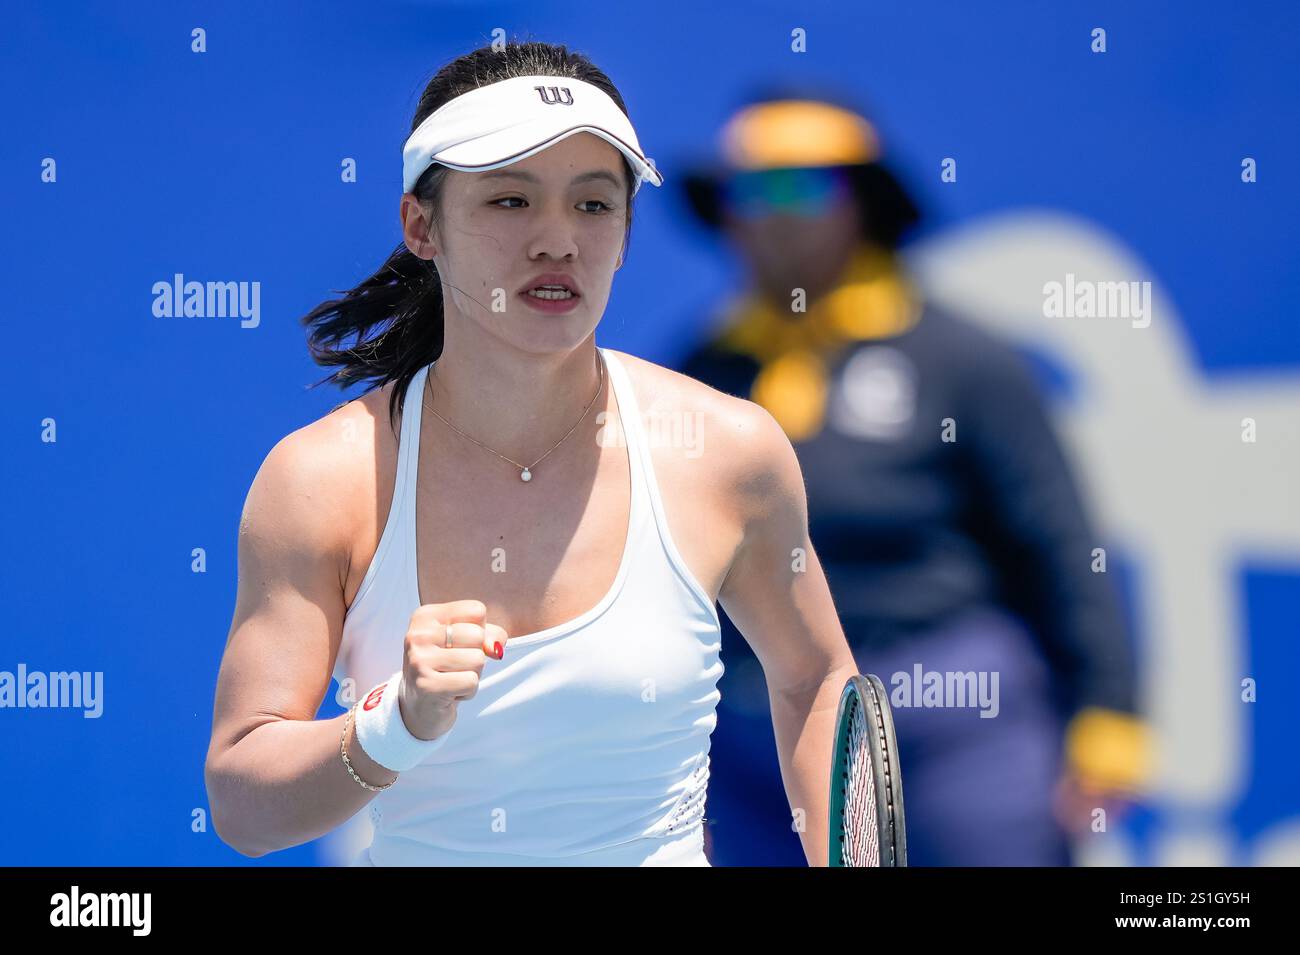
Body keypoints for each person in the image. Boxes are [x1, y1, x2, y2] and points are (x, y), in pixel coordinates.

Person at [202, 42, 860, 867]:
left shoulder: (729, 452)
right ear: (421, 225)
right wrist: (390, 728)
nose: (557, 241)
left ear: (624, 233)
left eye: (593, 205)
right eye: (510, 200)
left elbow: (817, 682)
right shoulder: (318, 482)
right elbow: (241, 808)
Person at [675, 90, 1151, 865]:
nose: (774, 212)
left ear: (863, 201)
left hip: (953, 720)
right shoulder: (703, 371)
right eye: (748, 190)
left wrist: (1110, 716)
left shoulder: (961, 359)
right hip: (759, 742)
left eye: (805, 185)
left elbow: (1060, 545)